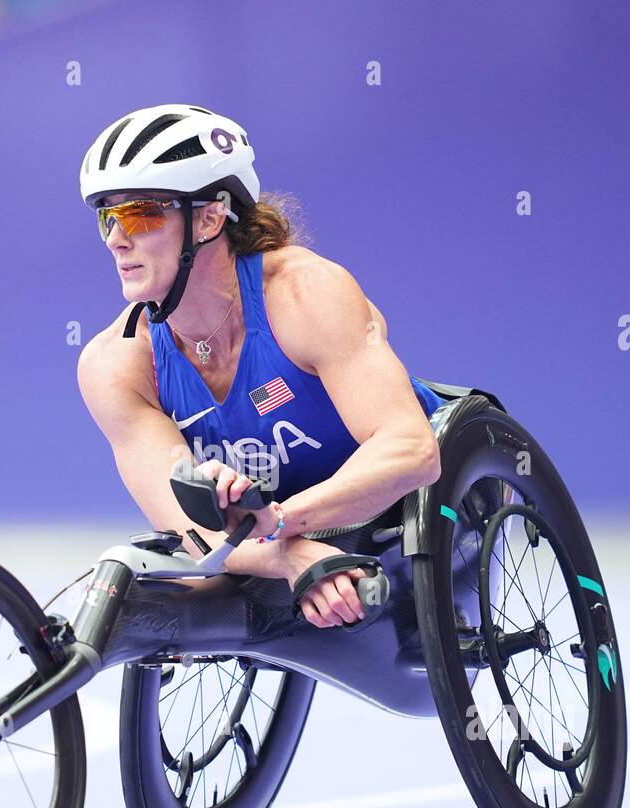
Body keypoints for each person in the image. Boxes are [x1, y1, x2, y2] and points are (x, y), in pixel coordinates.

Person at [76, 103, 444, 628]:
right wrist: (285, 553)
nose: (116, 237)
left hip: (406, 508)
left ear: (208, 216)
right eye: (107, 217)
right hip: (284, 536)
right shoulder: (113, 363)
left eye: (140, 213)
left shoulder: (304, 294)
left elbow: (412, 451)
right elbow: (186, 527)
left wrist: (282, 523)